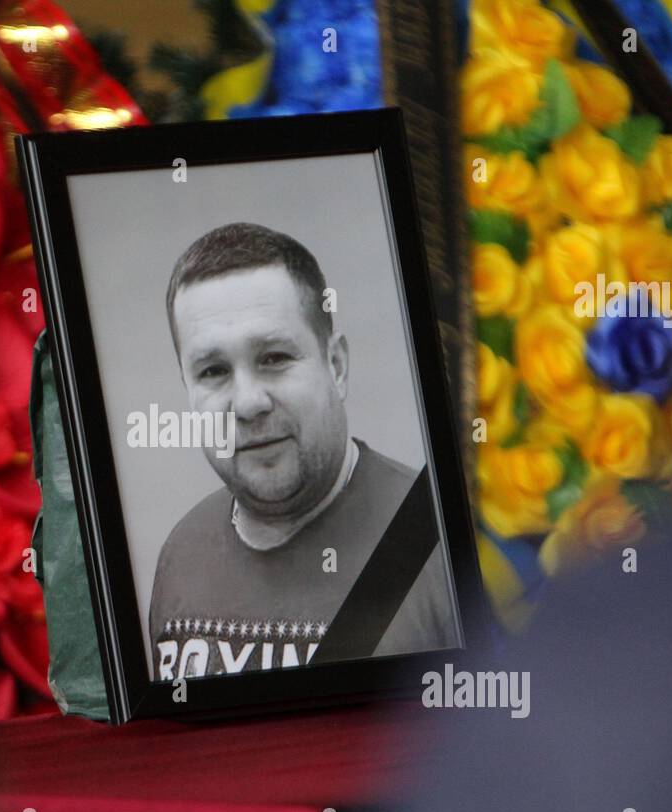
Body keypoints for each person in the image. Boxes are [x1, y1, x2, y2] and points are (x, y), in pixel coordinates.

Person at [148, 222, 456, 681]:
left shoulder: (442, 542)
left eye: (274, 358)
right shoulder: (181, 552)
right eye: (213, 371)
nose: (250, 403)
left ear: (336, 365)